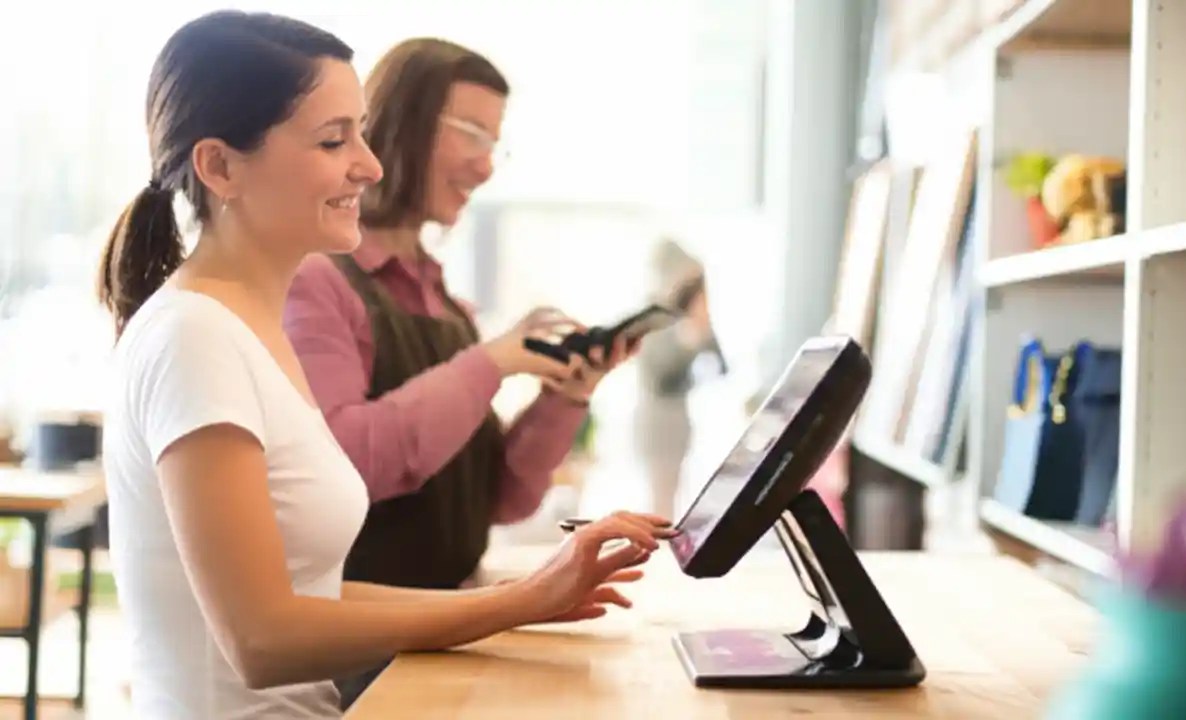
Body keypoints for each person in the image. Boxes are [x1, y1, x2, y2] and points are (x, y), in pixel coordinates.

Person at [98, 12, 671, 718]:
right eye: (334, 139)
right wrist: (519, 601)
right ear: (220, 166)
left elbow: (312, 590)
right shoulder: (194, 337)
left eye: (362, 132)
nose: (368, 165)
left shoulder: (245, 328)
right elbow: (261, 638)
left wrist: (523, 598)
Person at [281, 37, 640, 705]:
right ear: (400, 120)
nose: (485, 167)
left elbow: (500, 497)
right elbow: (349, 464)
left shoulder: (444, 300)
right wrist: (492, 362)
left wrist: (566, 397)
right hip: (358, 653)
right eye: (472, 133)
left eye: (494, 143)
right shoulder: (317, 283)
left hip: (447, 631)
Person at [634, 239, 727, 519]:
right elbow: (659, 376)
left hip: (678, 419)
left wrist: (703, 323)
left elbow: (720, 365)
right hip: (657, 419)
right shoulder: (654, 315)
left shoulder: (688, 322)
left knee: (672, 498)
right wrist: (687, 341)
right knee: (661, 501)